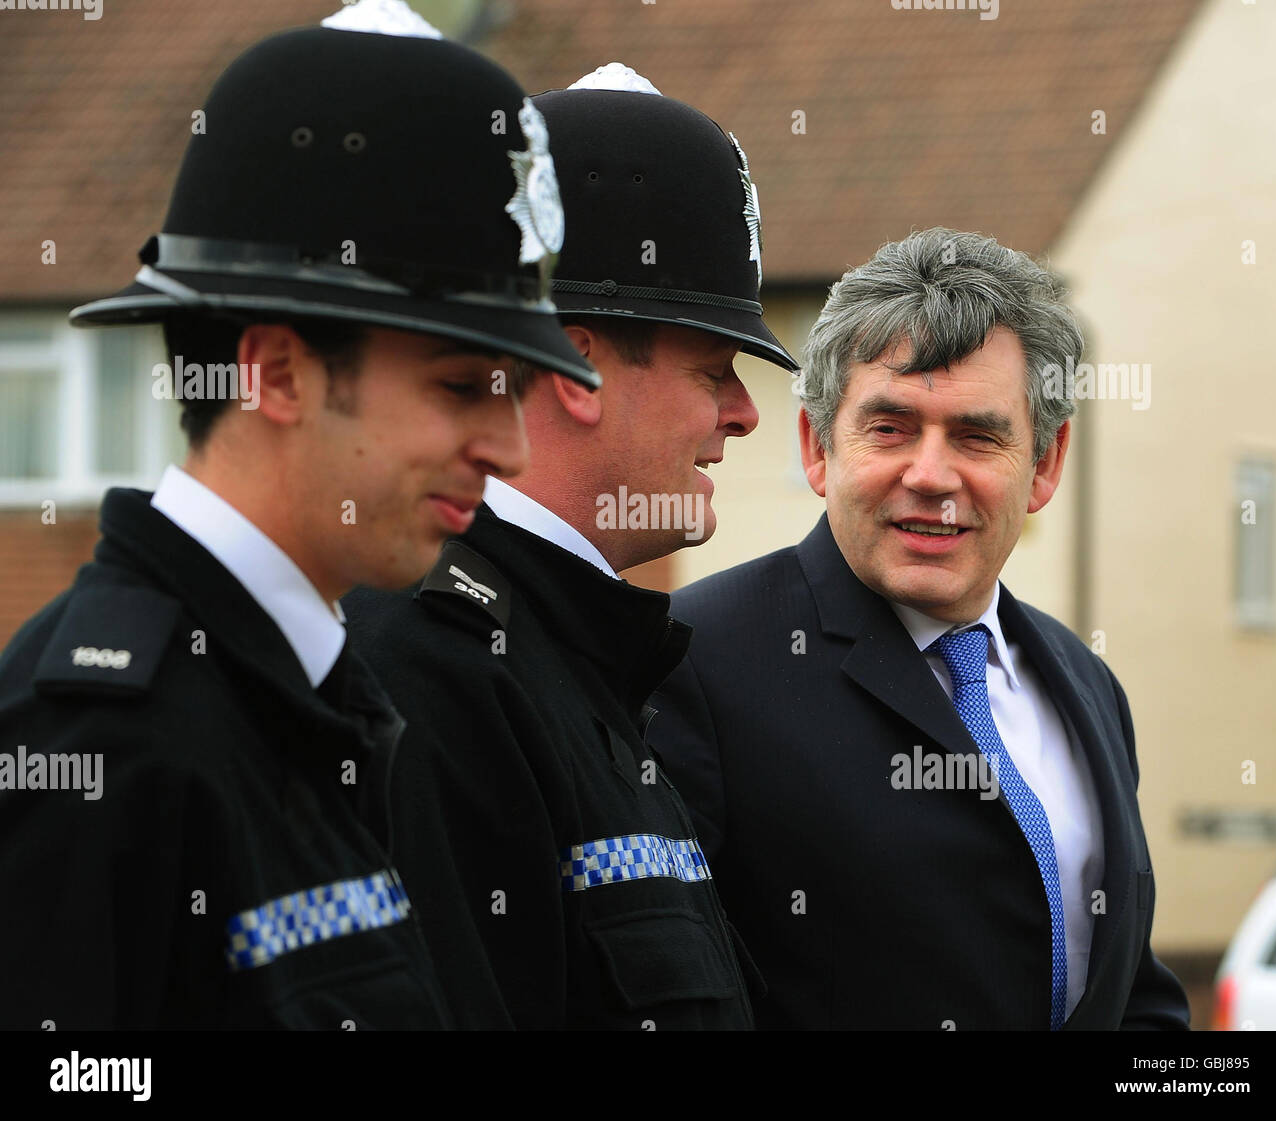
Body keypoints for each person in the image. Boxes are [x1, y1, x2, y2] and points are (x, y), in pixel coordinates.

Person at [0, 0, 594, 1030]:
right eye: (461, 386)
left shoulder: (318, 687)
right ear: (276, 370)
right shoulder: (99, 746)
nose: (512, 450)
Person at [345, 64, 797, 1029]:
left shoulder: (575, 655)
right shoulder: (427, 671)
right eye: (714, 368)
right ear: (576, 366)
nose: (744, 413)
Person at [649, 228, 1191, 1030]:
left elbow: (1133, 994)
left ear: (1044, 463)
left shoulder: (1087, 682)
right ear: (817, 446)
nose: (931, 476)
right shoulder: (688, 660)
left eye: (977, 435)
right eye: (891, 427)